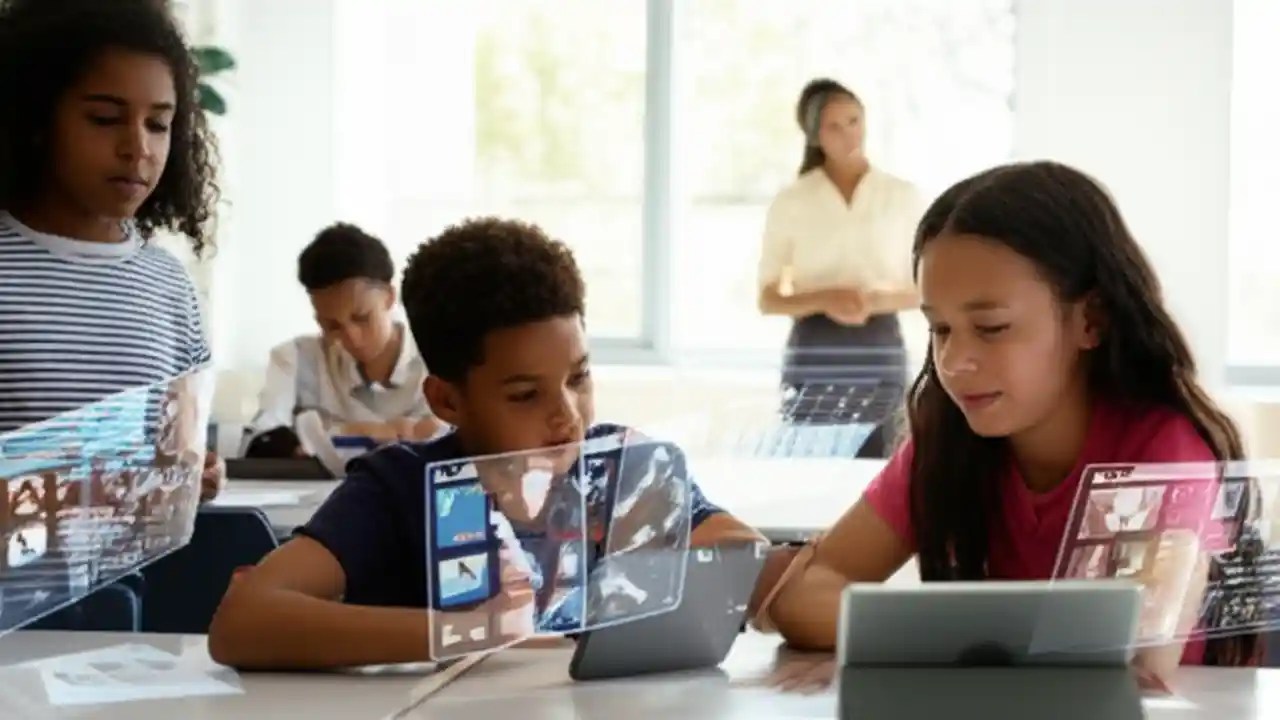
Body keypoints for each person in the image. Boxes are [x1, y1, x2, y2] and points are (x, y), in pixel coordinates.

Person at [753, 161, 1262, 688]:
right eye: (940, 329)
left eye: (991, 328)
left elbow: (1125, 660)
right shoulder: (951, 442)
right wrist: (958, 636)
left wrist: (897, 636)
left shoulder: (1163, 450)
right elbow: (800, 592)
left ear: (1092, 320)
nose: (953, 362)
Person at [208, 217, 763, 670]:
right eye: (525, 395)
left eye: (579, 378)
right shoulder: (397, 487)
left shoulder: (621, 467)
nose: (567, 416)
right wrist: (471, 629)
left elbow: (745, 554)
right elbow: (243, 622)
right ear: (447, 402)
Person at [0, 0, 223, 500]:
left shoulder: (168, 285)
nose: (137, 148)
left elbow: (177, 449)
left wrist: (194, 476)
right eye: (104, 119)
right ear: (35, 119)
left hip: (131, 579)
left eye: (159, 125)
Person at [757, 78, 924, 458]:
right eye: (835, 126)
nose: (849, 134)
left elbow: (927, 288)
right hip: (815, 353)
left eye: (854, 120)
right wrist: (826, 299)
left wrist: (874, 299)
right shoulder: (792, 201)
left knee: (884, 464)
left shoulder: (901, 196)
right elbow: (767, 298)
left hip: (880, 349)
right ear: (815, 136)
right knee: (810, 463)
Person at [246, 222, 443, 452]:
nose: (351, 338)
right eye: (332, 326)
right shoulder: (296, 359)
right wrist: (355, 432)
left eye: (362, 318)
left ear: (390, 297)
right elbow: (258, 443)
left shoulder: (438, 355)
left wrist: (318, 438)